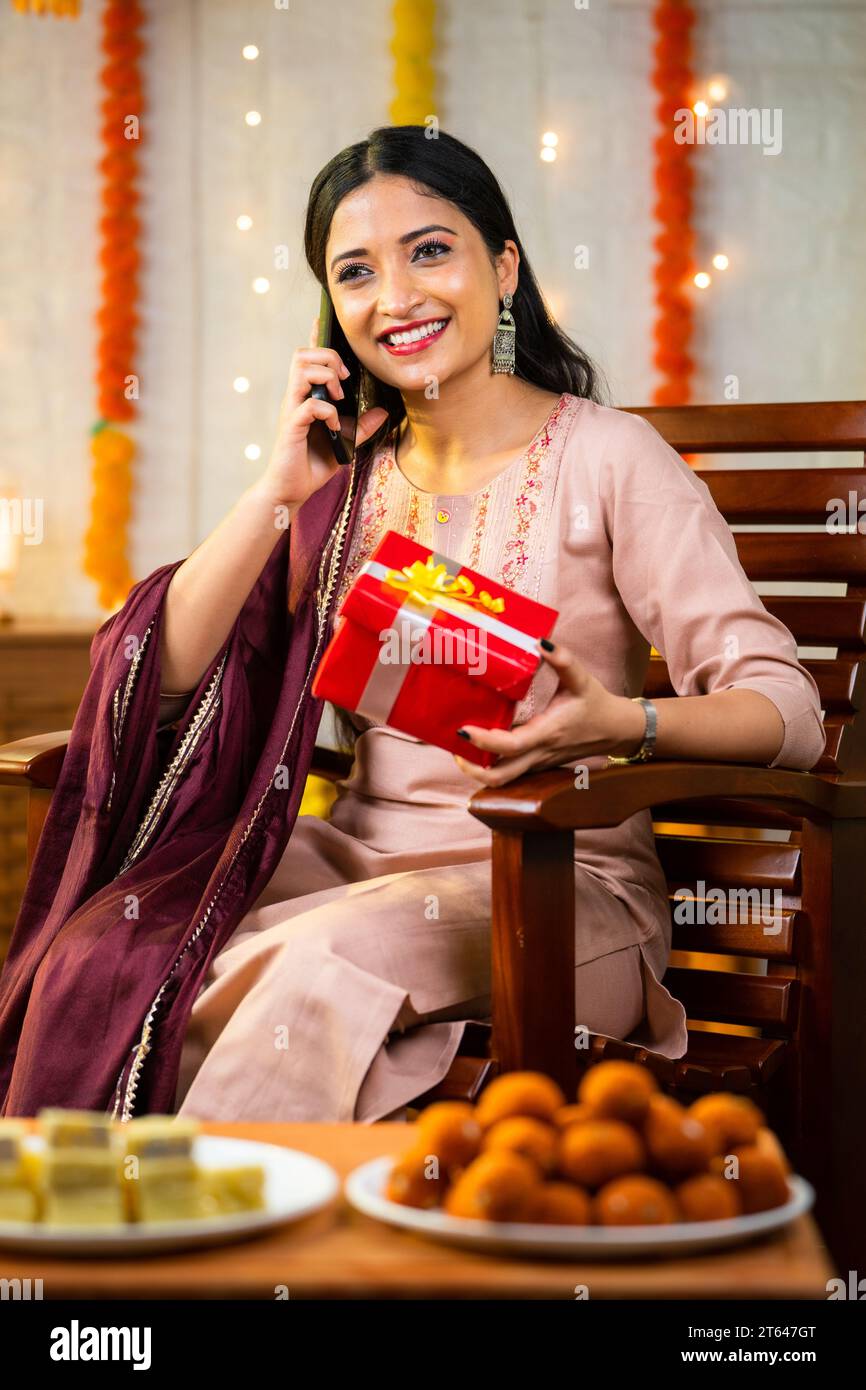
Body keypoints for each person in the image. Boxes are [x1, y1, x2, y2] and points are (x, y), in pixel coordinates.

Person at [0, 127, 825, 1123]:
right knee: (120, 942)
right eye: (356, 271)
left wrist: (624, 724)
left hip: (557, 881)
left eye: (429, 250)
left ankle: (211, 1257)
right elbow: (164, 675)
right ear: (333, 307)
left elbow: (787, 711)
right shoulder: (346, 483)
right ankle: (94, 1233)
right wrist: (277, 486)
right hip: (353, 855)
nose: (394, 297)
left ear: (503, 267)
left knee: (310, 966)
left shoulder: (608, 458)